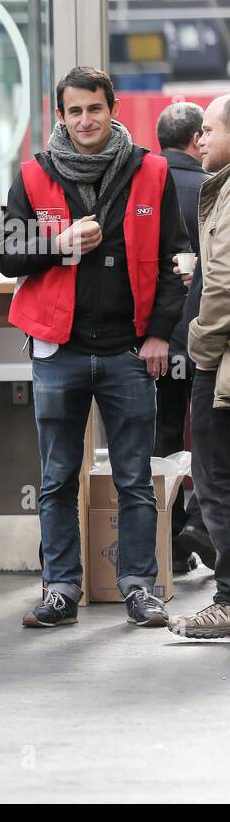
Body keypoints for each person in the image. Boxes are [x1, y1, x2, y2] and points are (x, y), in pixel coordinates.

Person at [0, 66, 188, 628]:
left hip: (129, 350)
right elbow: (7, 254)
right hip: (59, 349)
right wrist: (57, 243)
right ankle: (61, 588)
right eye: (74, 110)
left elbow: (178, 262)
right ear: (61, 115)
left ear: (113, 109)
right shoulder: (33, 176)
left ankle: (138, 587)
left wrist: (157, 333)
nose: (85, 120)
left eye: (94, 109)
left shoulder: (151, 172)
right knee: (57, 476)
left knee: (134, 477)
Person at [169, 93, 230, 638]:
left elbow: (225, 286)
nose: (202, 139)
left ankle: (228, 602)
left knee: (215, 479)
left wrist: (200, 348)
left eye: (210, 129)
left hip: (221, 364)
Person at [155, 102, 217, 572]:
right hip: (202, 339)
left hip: (153, 339)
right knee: (205, 440)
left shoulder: (144, 187)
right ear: (197, 138)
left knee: (159, 440)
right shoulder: (212, 189)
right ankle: (197, 532)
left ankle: (163, 542)